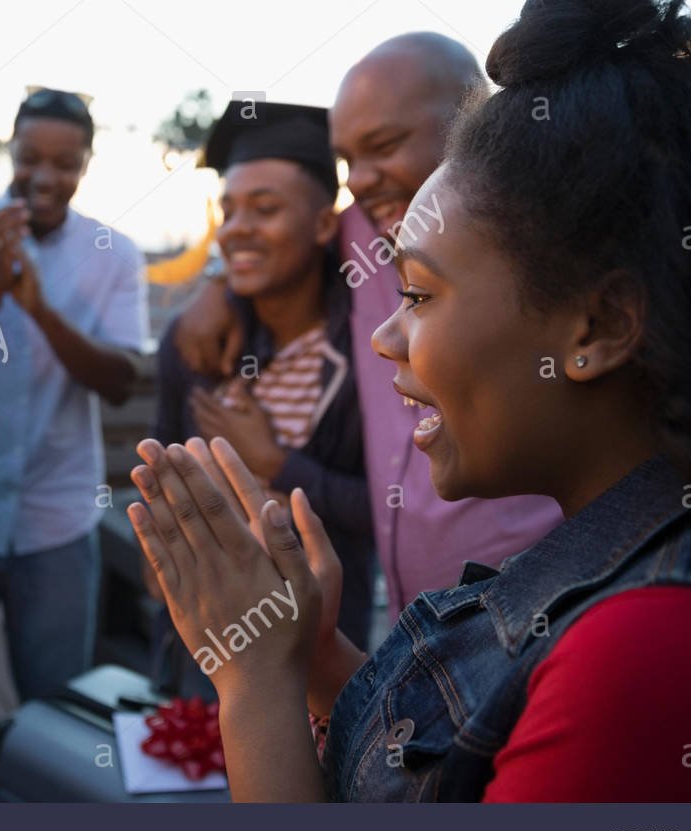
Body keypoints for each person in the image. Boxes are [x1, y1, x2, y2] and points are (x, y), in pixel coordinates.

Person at [127, 0, 691, 801]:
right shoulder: (598, 559)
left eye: (419, 294)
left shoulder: (642, 649)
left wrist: (253, 681)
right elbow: (449, 758)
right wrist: (305, 651)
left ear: (597, 328)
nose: (382, 335)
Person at [172, 34, 563, 621]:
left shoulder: (548, 238)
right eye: (348, 159)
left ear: (474, 120)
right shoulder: (370, 230)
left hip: (536, 594)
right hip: (420, 617)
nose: (361, 177)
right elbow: (275, 234)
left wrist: (280, 465)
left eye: (384, 145)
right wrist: (215, 286)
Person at [0, 88, 148, 800]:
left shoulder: (115, 254)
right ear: (9, 152)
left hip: (57, 518)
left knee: (58, 706)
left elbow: (117, 380)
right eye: (30, 158)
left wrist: (40, 309)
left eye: (64, 162)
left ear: (85, 165)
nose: (45, 176)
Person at [154, 101, 374, 649]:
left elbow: (391, 507)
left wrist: (279, 464)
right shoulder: (198, 344)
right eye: (228, 212)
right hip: (201, 640)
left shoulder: (365, 355)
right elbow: (158, 472)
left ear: (325, 222)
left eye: (266, 208)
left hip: (321, 645)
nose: (237, 231)